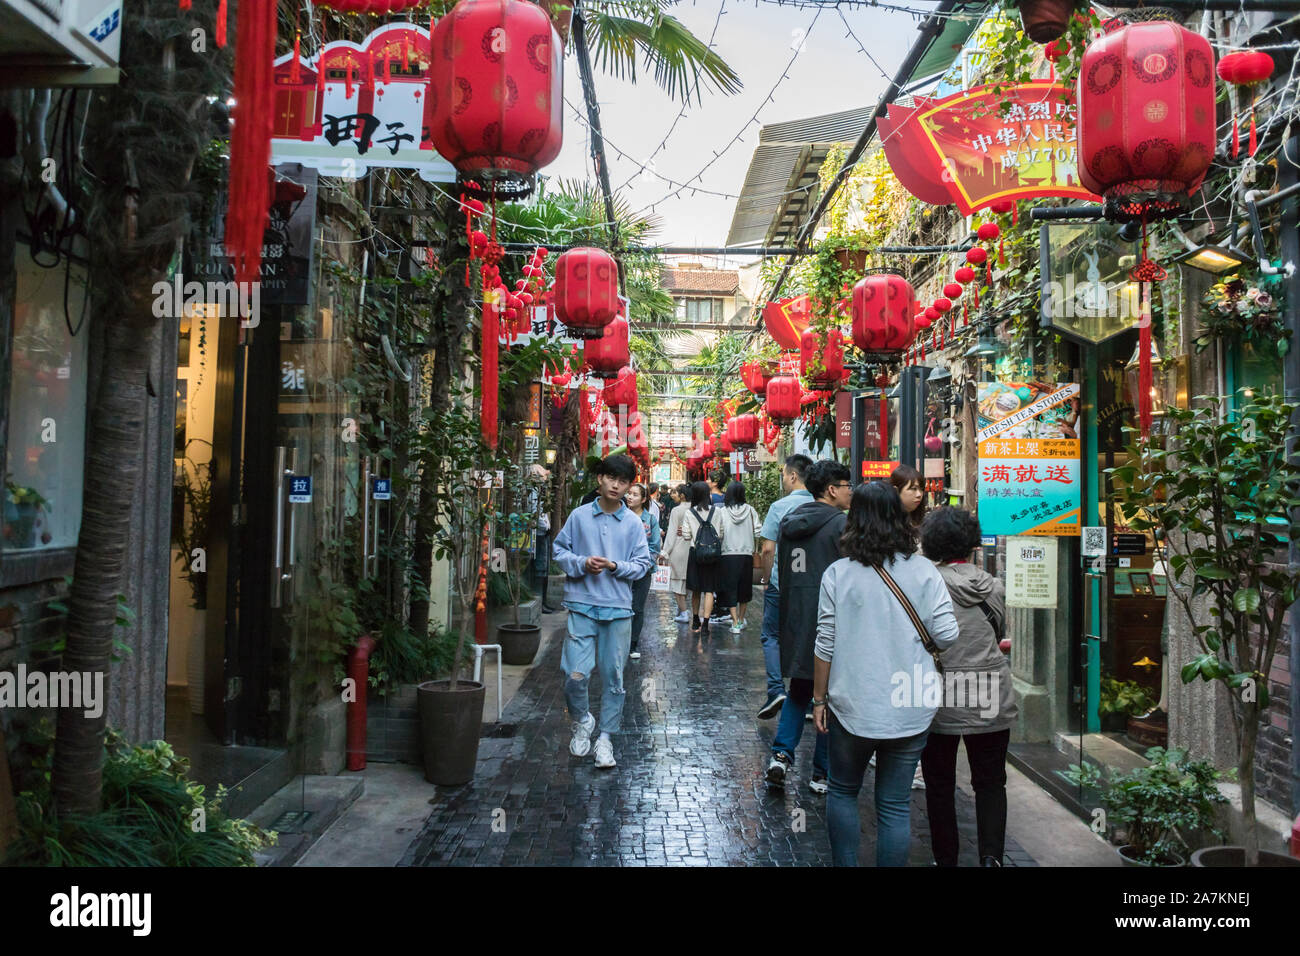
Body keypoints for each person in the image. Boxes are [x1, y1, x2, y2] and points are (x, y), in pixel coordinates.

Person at [811, 481, 960, 866]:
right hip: (910, 702)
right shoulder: (925, 571)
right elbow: (946, 634)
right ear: (900, 518)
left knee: (842, 791)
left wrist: (819, 699)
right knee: (894, 804)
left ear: (853, 520)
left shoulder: (838, 574)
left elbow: (824, 643)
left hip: (852, 703)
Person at [919, 506, 1018, 867]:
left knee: (940, 783)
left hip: (938, 692)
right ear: (973, 543)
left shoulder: (925, 585)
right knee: (991, 782)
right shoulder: (993, 588)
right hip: (989, 689)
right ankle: (991, 858)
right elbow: (999, 633)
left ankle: (946, 858)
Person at [551, 454, 654, 770]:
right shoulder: (579, 516)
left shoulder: (634, 523)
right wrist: (581, 563)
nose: (616, 485)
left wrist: (614, 566)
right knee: (574, 675)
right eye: (611, 477)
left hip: (619, 610)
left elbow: (642, 565)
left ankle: (606, 739)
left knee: (613, 677)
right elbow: (559, 550)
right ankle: (583, 719)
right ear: (600, 479)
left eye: (623, 481)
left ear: (629, 486)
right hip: (582, 606)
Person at [767, 459, 852, 794]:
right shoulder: (841, 526)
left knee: (800, 689)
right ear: (832, 490)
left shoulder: (789, 522)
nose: (850, 493)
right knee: (827, 694)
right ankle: (821, 772)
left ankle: (781, 755)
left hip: (797, 616)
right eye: (847, 486)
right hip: (831, 620)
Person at [755, 454, 813, 720]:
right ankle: (812, 694)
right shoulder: (822, 504)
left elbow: (767, 549)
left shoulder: (779, 507)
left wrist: (767, 580)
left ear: (792, 476)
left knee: (771, 635)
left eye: (784, 475)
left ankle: (777, 689)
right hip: (814, 584)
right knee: (810, 635)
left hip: (782, 581)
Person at [889, 462, 930, 789]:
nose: (918, 494)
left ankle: (911, 760)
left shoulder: (923, 524)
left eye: (920, 488)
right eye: (911, 488)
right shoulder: (888, 529)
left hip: (920, 615)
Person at [680, 480, 726, 633]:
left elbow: (686, 536)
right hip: (713, 555)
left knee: (696, 589)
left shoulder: (689, 512)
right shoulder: (717, 511)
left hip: (696, 554)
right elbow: (721, 533)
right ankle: (706, 623)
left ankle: (695, 621)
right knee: (709, 590)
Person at [624, 482, 661, 662]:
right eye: (629, 493)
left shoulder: (650, 520)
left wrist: (644, 565)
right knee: (621, 605)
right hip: (620, 568)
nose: (630, 497)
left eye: (635, 495)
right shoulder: (620, 516)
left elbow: (655, 547)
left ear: (644, 499)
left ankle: (633, 644)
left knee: (637, 608)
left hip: (643, 570)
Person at [719, 482, 761, 634]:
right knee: (744, 588)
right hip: (746, 555)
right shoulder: (750, 511)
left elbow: (719, 533)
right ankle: (742, 619)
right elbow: (758, 531)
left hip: (727, 555)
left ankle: (734, 622)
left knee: (730, 588)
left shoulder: (722, 512)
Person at [660, 484, 693, 622]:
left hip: (678, 548)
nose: (673, 495)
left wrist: (665, 552)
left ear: (682, 496)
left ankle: (684, 612)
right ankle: (682, 610)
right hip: (691, 548)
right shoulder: (695, 509)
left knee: (676, 582)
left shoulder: (677, 510)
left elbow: (672, 533)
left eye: (676, 493)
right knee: (685, 582)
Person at [890, 463, 928, 531]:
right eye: (913, 489)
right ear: (895, 490)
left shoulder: (925, 522)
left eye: (921, 489)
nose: (919, 494)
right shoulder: (885, 525)